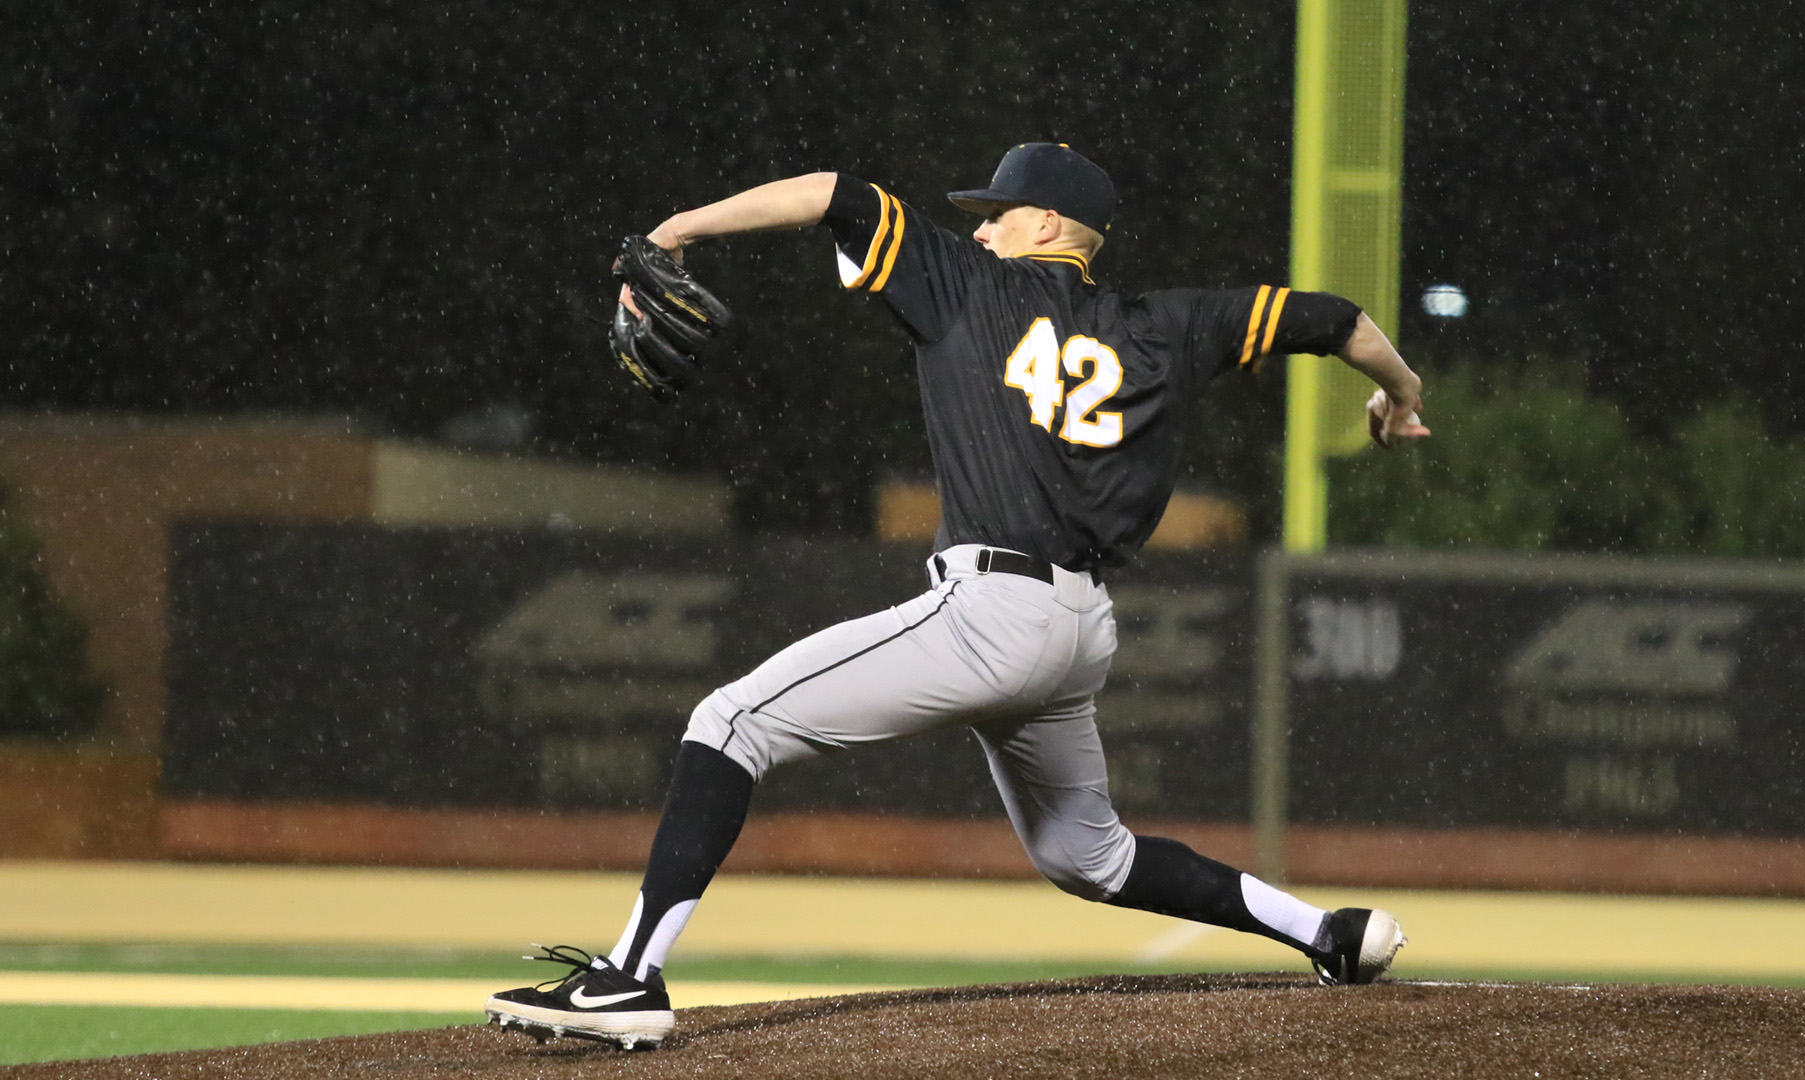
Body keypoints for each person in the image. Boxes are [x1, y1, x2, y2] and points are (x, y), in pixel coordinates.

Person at [485, 142, 1430, 1050]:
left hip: (992, 612)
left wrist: (677, 228)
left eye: (997, 215)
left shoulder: (966, 284)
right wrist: (1400, 392)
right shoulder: (1166, 325)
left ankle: (628, 978)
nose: (978, 231)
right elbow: (1336, 318)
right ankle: (1328, 934)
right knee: (1089, 859)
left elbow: (830, 191)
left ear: (1047, 222)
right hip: (1081, 632)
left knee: (729, 723)